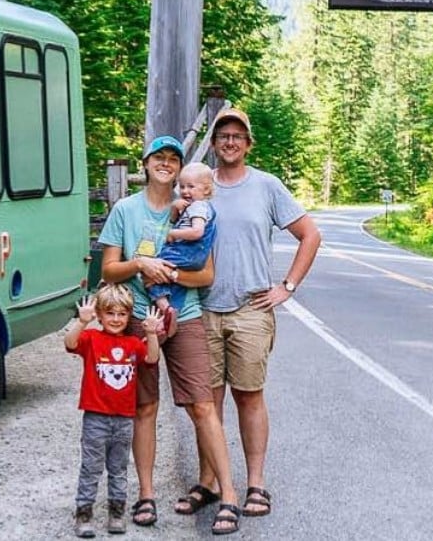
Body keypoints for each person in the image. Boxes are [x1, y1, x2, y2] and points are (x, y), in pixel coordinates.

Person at [98, 135, 243, 535]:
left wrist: (171, 273)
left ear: (181, 169)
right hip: (135, 320)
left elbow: (207, 275)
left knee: (202, 405)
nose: (165, 164)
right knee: (144, 407)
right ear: (145, 164)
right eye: (158, 157)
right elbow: (108, 270)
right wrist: (142, 262)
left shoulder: (196, 211)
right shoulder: (126, 210)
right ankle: (145, 494)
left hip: (188, 315)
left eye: (172, 159)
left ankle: (228, 494)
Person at [192, 107, 321, 518]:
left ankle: (255, 484)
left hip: (251, 307)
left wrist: (287, 287)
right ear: (213, 143)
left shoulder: (266, 186)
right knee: (206, 403)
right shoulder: (199, 184)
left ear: (248, 144)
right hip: (203, 307)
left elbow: (310, 234)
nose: (230, 142)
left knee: (249, 397)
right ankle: (208, 481)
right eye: (223, 135)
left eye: (237, 136)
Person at [64, 285, 162, 537]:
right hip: (96, 416)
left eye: (121, 314)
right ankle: (84, 514)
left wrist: (151, 334)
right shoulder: (91, 339)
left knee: (119, 468)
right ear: (99, 314)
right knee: (91, 467)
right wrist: (82, 322)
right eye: (110, 313)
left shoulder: (132, 343)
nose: (116, 319)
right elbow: (70, 343)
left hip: (124, 418)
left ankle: (116, 513)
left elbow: (151, 359)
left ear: (129, 316)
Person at [147, 162, 217, 336]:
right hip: (190, 252)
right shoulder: (191, 206)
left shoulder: (199, 207)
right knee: (176, 286)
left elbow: (197, 232)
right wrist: (174, 208)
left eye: (191, 187)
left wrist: (173, 234)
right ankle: (171, 315)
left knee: (151, 270)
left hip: (188, 251)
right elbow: (173, 219)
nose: (185, 191)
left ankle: (164, 306)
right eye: (182, 186)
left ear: (206, 190)